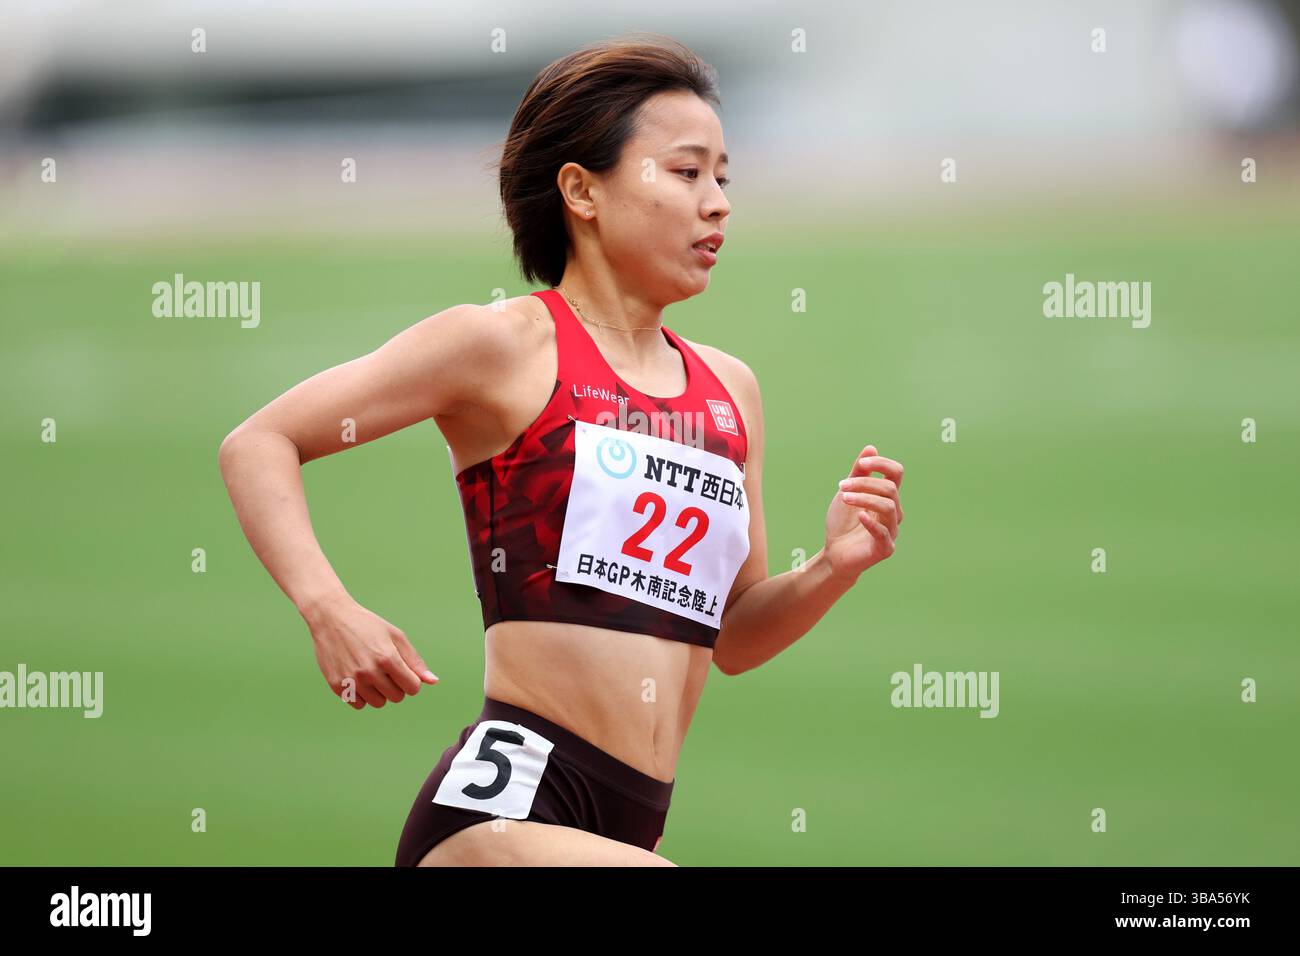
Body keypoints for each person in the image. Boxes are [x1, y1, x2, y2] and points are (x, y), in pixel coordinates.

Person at [218, 33, 904, 867]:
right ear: (581, 190)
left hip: (631, 819)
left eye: (724, 177)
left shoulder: (731, 392)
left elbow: (733, 638)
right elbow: (261, 441)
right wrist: (330, 609)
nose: (718, 202)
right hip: (504, 809)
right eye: (686, 173)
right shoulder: (500, 345)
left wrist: (834, 566)